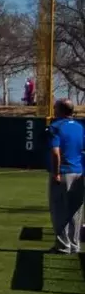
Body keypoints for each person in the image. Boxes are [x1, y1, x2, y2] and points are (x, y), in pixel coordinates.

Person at [48, 98, 85, 254]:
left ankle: (63, 245)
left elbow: (56, 152)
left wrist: (56, 173)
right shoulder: (80, 127)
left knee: (59, 210)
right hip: (79, 171)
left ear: (60, 110)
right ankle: (75, 245)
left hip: (63, 172)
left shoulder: (56, 127)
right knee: (76, 211)